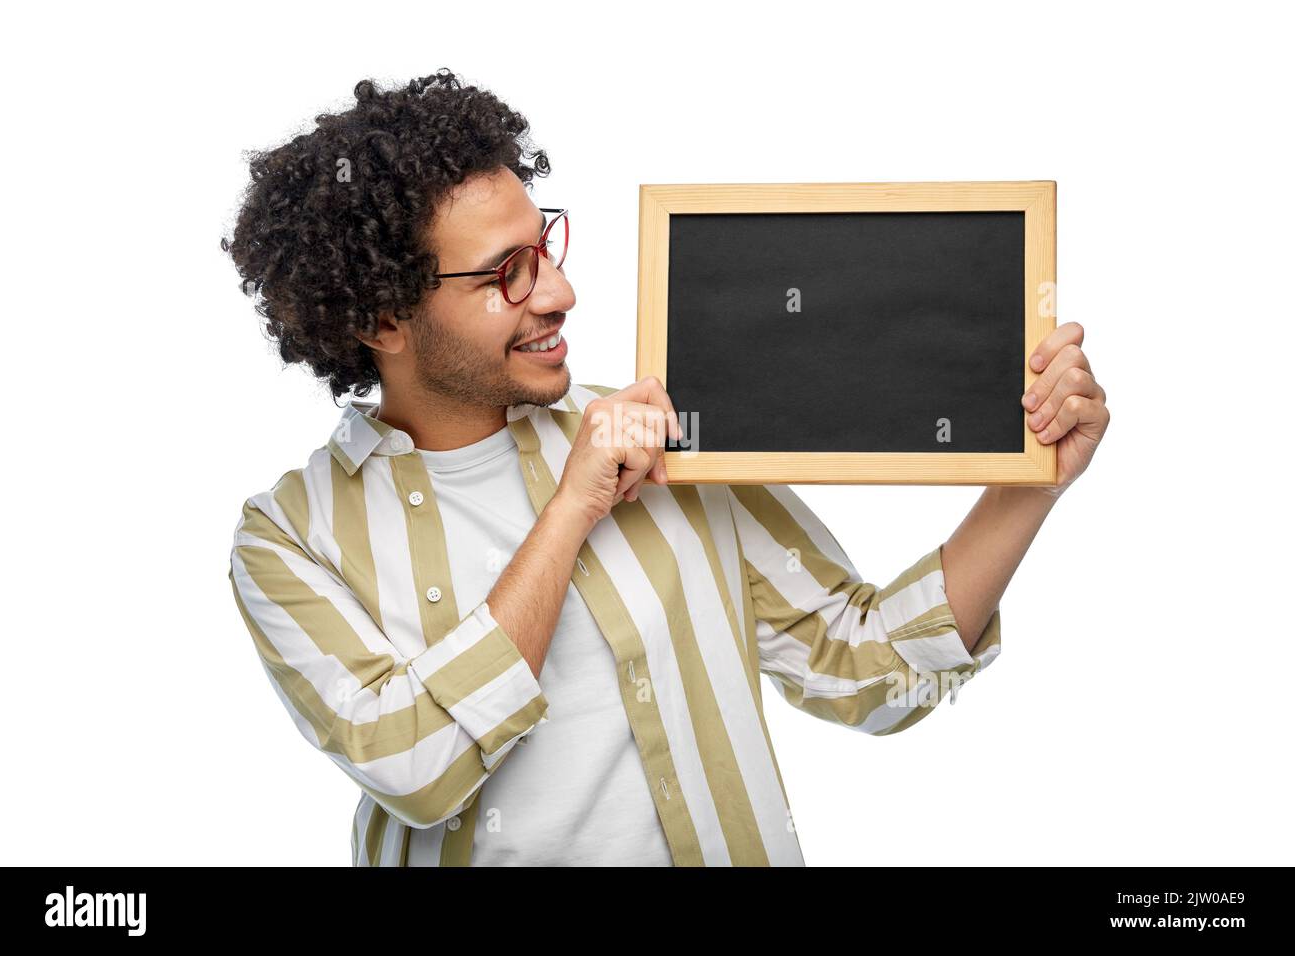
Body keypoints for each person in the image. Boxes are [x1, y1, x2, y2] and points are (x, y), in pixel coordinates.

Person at [222, 70, 1110, 867]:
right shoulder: (289, 538)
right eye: (508, 273)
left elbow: (865, 668)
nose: (560, 293)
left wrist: (1033, 481)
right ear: (380, 319)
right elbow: (414, 768)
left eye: (549, 247)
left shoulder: (668, 433)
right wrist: (571, 510)